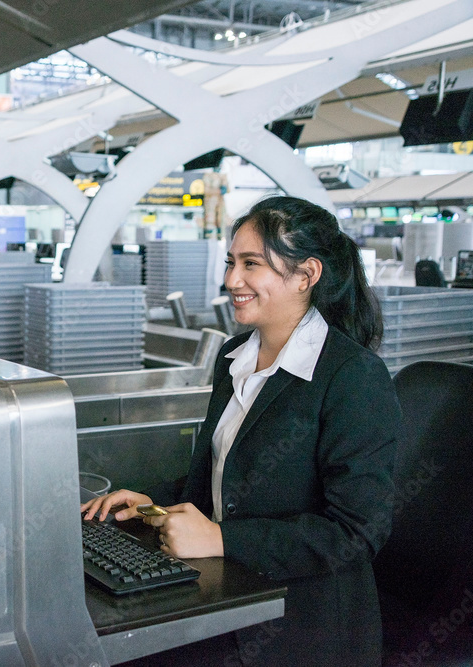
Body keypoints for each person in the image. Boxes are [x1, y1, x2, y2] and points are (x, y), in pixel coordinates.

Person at [82, 196, 401, 666]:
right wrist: (150, 504)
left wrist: (221, 540)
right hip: (228, 595)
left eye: (252, 264)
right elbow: (221, 481)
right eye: (232, 262)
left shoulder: (351, 375)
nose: (233, 280)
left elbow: (357, 533)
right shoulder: (235, 357)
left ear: (306, 275)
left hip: (300, 627)